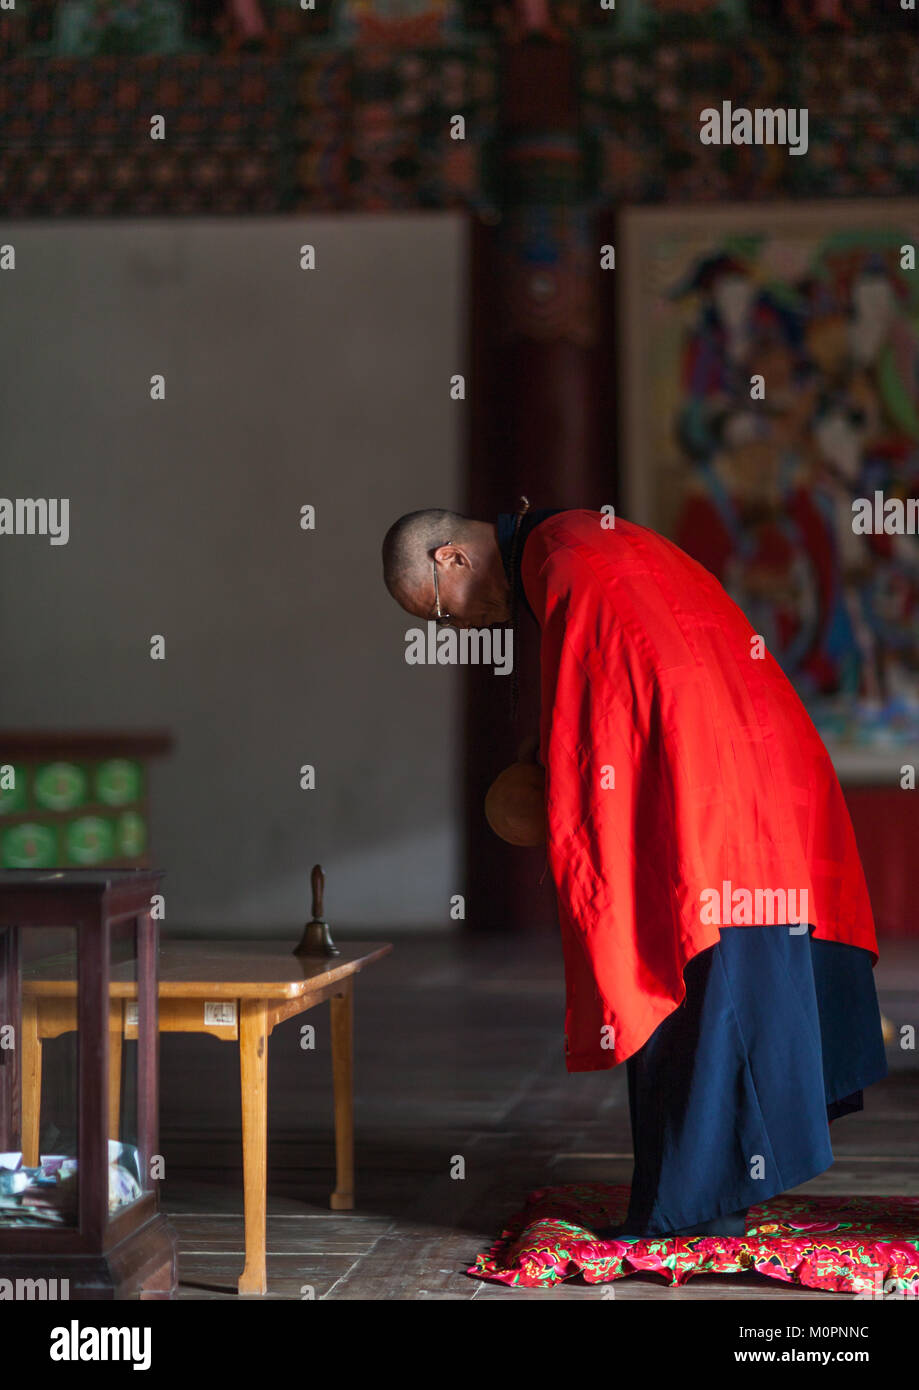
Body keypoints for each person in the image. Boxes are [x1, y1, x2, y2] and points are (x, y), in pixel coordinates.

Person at [381, 504, 888, 1239]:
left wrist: (562, 784)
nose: (453, 628)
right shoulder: (582, 540)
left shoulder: (566, 561)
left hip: (708, 790)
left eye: (435, 610)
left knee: (699, 970)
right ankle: (709, 1195)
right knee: (731, 973)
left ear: (450, 559)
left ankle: (702, 1210)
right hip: (747, 768)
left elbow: (616, 701)